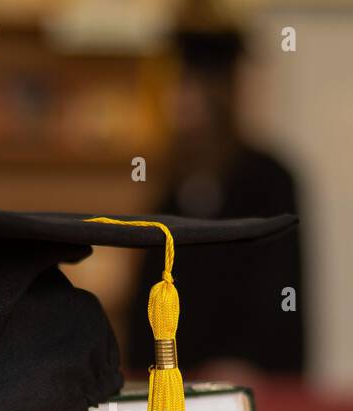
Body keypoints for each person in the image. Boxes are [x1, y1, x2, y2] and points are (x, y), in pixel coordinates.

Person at [125, 25, 307, 378]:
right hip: (176, 381)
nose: (177, 100)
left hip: (249, 380)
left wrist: (243, 360)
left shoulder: (270, 180)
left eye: (188, 85)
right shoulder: (170, 188)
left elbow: (281, 288)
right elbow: (150, 294)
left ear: (218, 93)